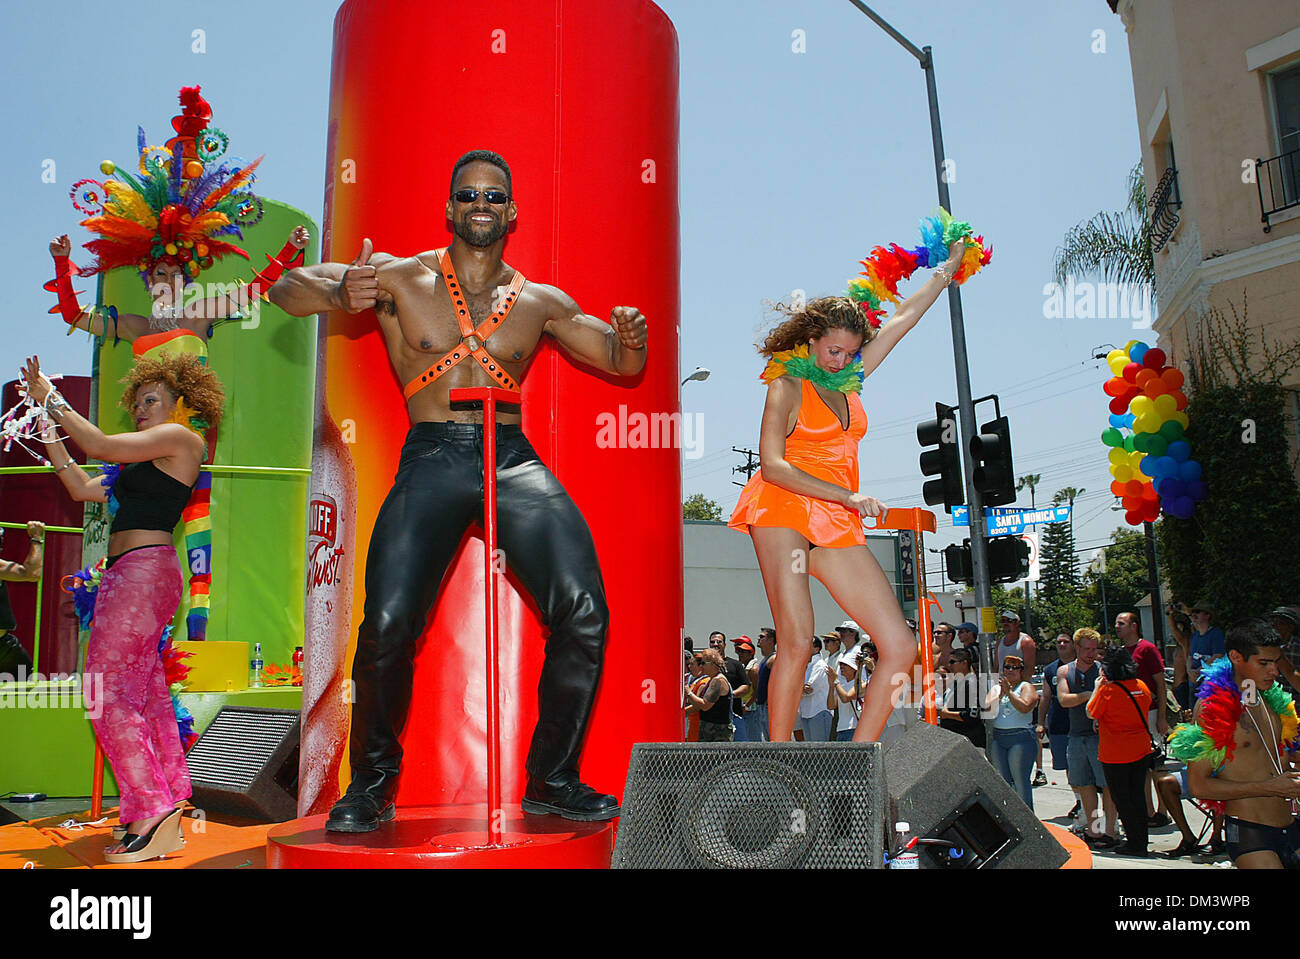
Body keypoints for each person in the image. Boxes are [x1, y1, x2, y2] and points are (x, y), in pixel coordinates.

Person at [270, 149, 646, 829]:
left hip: (512, 458)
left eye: (495, 196)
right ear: (449, 207)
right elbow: (285, 288)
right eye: (468, 194)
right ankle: (372, 784)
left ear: (512, 212)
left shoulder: (540, 301)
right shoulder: (394, 275)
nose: (481, 205)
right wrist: (337, 292)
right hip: (433, 454)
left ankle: (552, 777)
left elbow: (623, 365)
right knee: (386, 624)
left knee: (586, 610)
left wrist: (632, 340)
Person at [727, 238, 968, 744]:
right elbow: (772, 466)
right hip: (783, 508)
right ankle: (779, 757)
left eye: (851, 352)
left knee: (901, 647)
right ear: (812, 340)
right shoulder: (786, 385)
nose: (841, 360)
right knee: (795, 638)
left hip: (834, 522)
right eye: (833, 350)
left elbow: (901, 321)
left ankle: (859, 760)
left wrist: (947, 269)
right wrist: (846, 496)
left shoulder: (852, 378)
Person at [21, 351, 223, 863]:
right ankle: (163, 801)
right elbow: (79, 484)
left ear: (180, 404)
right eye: (136, 404)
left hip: (145, 572)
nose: (140, 410)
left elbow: (98, 443)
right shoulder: (138, 463)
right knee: (146, 693)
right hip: (124, 577)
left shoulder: (182, 440)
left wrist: (53, 397)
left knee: (105, 690)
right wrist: (46, 422)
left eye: (150, 401)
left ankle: (151, 804)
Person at [1171, 619, 1300, 869]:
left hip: (1291, 825)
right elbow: (1198, 785)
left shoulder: (1272, 699)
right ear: (1236, 657)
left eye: (1276, 661)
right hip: (1251, 831)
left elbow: (1279, 755)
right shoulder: (1213, 709)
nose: (1274, 671)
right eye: (1264, 663)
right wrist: (1270, 787)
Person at [1086, 645, 1155, 857]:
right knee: (1138, 797)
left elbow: (1090, 711)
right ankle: (1141, 841)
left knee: (1122, 799)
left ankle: (1134, 844)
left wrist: (1098, 687)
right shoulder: (1141, 685)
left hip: (1115, 753)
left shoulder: (1108, 691)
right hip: (1141, 749)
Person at [1057, 628, 1119, 847]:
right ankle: (1094, 831)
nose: (1091, 653)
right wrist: (1091, 695)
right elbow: (1064, 699)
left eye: (1094, 649)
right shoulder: (1065, 671)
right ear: (1077, 647)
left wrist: (1089, 698)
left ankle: (1110, 831)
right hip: (1076, 736)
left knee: (1107, 785)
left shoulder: (1104, 671)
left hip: (1101, 737)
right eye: (1087, 649)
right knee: (1084, 785)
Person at [1114, 610, 1169, 825]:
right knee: (1140, 765)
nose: (1117, 627)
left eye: (1121, 623)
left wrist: (1162, 717)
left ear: (1134, 625)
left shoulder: (1147, 649)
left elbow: (1161, 685)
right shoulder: (1120, 652)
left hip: (1151, 713)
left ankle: (1164, 810)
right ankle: (1147, 811)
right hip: (1130, 716)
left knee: (1156, 763)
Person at [984, 654, 1038, 810]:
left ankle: (1027, 819)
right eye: (1007, 667)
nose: (1011, 670)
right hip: (999, 738)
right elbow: (987, 709)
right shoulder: (996, 688)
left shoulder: (1026, 687)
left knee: (1020, 782)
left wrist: (1010, 693)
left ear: (1021, 671)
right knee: (1004, 783)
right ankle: (1010, 816)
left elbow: (1025, 707)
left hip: (1020, 738)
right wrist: (1000, 695)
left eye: (1015, 667)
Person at [1037, 633, 1079, 812]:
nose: (1061, 644)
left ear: (1074, 645)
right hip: (1058, 725)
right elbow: (1045, 697)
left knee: (1081, 765)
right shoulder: (1050, 669)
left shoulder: (1082, 665)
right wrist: (1041, 722)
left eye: (1066, 642)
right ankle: (1080, 802)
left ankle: (1088, 803)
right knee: (1068, 766)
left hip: (1080, 724)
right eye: (1059, 642)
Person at [0, 522, 45, 674]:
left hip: (3, 649)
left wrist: (36, 539)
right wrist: (36, 538)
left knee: (26, 685)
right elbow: (31, 574)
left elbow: (32, 574)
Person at [938, 647, 985, 749]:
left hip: (970, 743)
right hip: (957, 741)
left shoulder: (972, 683)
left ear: (964, 663)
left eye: (952, 662)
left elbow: (972, 714)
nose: (949, 665)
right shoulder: (957, 683)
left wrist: (947, 714)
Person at [685, 649, 733, 742]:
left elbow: (705, 705)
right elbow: (697, 706)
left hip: (717, 733)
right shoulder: (711, 680)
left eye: (703, 663)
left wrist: (687, 691)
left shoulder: (718, 681)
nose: (701, 666)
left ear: (712, 663)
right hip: (709, 731)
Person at [798, 637, 833, 742]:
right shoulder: (807, 665)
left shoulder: (820, 666)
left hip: (819, 712)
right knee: (810, 752)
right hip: (806, 712)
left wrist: (796, 689)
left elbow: (809, 689)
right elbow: (802, 688)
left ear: (817, 648)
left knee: (820, 751)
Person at [752, 628, 777, 742]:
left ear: (771, 640)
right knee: (767, 740)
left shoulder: (774, 659)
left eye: (762, 637)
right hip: (762, 706)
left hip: (769, 706)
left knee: (772, 739)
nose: (759, 639)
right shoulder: (765, 660)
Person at [683, 653, 711, 742]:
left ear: (701, 666)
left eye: (692, 664)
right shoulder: (695, 680)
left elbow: (697, 706)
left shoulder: (704, 682)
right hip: (692, 723)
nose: (689, 667)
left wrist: (681, 713)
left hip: (699, 725)